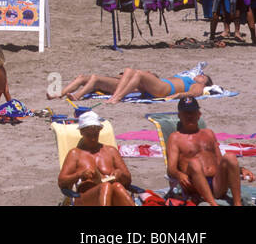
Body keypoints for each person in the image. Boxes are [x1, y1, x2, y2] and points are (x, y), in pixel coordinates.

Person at [167, 95, 249, 206]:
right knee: (194, 162)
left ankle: (237, 203)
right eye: (186, 113)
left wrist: (239, 169)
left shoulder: (209, 133)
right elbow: (171, 169)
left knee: (230, 156)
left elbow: (221, 161)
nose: (189, 116)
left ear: (199, 115)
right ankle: (213, 204)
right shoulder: (175, 138)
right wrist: (179, 175)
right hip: (195, 186)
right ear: (179, 116)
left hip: (218, 183)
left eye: (192, 112)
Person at [57, 111, 134, 206]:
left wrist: (120, 174)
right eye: (89, 135)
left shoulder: (111, 151)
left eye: (95, 134)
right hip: (85, 198)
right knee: (106, 186)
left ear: (99, 132)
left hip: (110, 194)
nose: (93, 139)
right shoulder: (75, 153)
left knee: (117, 186)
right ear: (81, 132)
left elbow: (128, 179)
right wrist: (79, 174)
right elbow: (61, 182)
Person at [59, 67, 212, 104]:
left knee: (138, 73)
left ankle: (116, 97)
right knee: (129, 71)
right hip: (159, 85)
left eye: (203, 76)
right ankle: (62, 94)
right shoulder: (188, 77)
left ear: (205, 81)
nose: (200, 75)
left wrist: (179, 95)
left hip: (165, 89)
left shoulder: (197, 85)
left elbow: (195, 94)